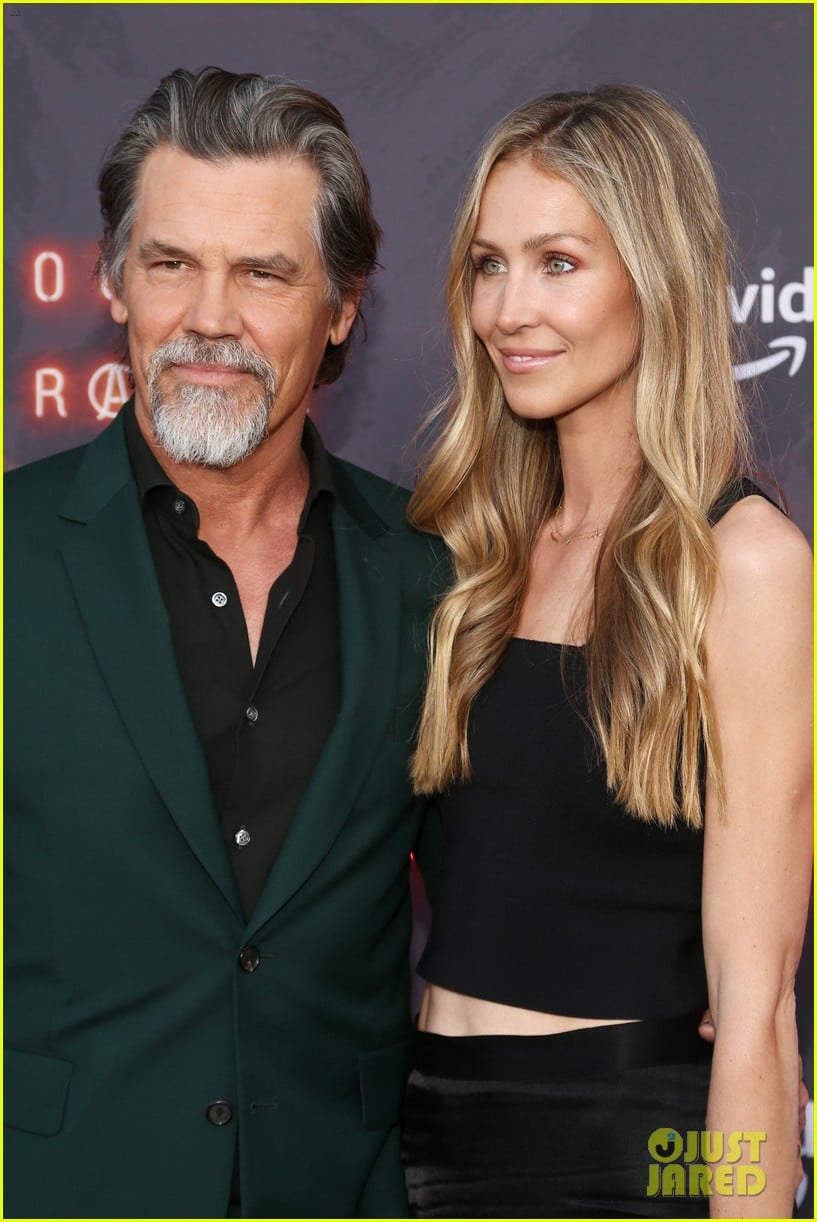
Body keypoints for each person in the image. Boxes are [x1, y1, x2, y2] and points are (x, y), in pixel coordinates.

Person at [4, 67, 444, 1219]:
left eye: (263, 273)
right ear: (111, 280)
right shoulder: (11, 555)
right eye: (170, 263)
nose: (210, 316)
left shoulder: (430, 571)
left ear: (341, 307)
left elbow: (505, 884)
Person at [401, 84, 812, 1218]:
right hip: (428, 1125)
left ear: (657, 275)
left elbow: (758, 1004)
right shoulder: (469, 552)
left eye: (559, 263)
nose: (509, 308)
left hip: (629, 1146)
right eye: (488, 263)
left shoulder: (742, 564)